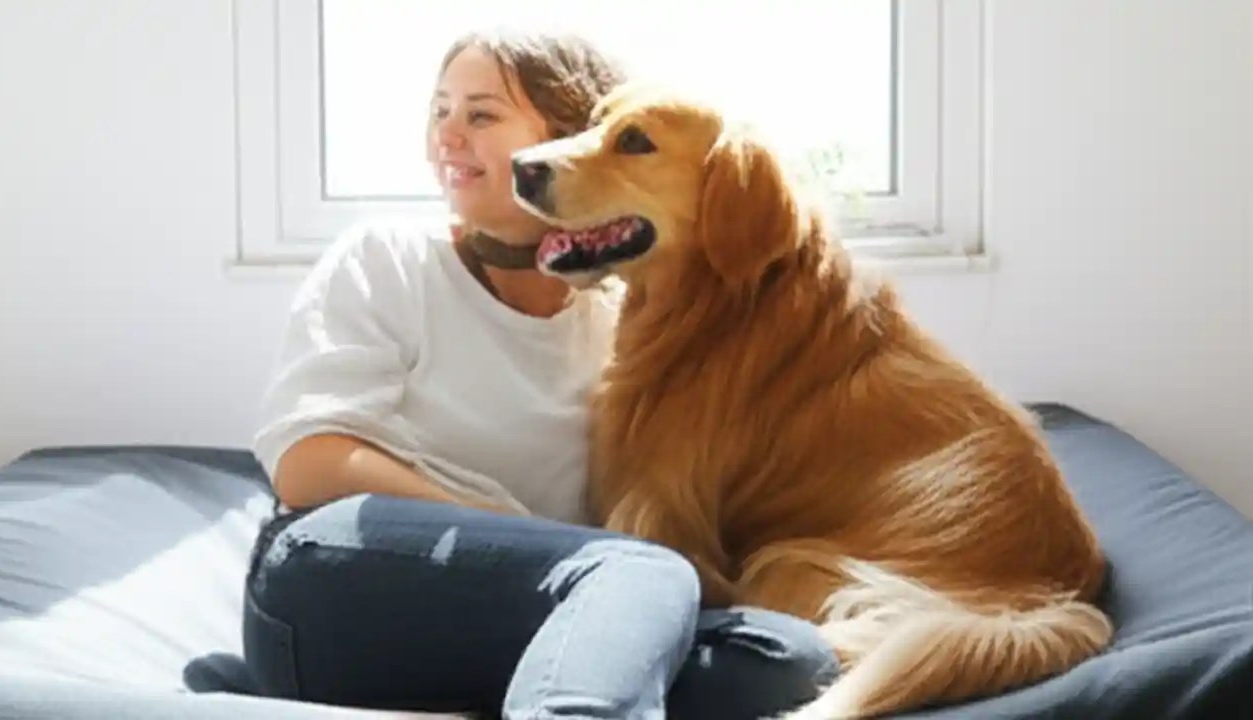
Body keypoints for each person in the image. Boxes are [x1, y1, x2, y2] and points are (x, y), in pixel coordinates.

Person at [242, 28, 837, 720]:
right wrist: (515, 531)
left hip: (538, 613)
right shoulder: (388, 258)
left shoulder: (622, 324)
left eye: (481, 114)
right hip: (332, 587)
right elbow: (308, 462)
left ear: (568, 136)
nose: (449, 135)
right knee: (643, 571)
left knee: (789, 660)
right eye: (441, 111)